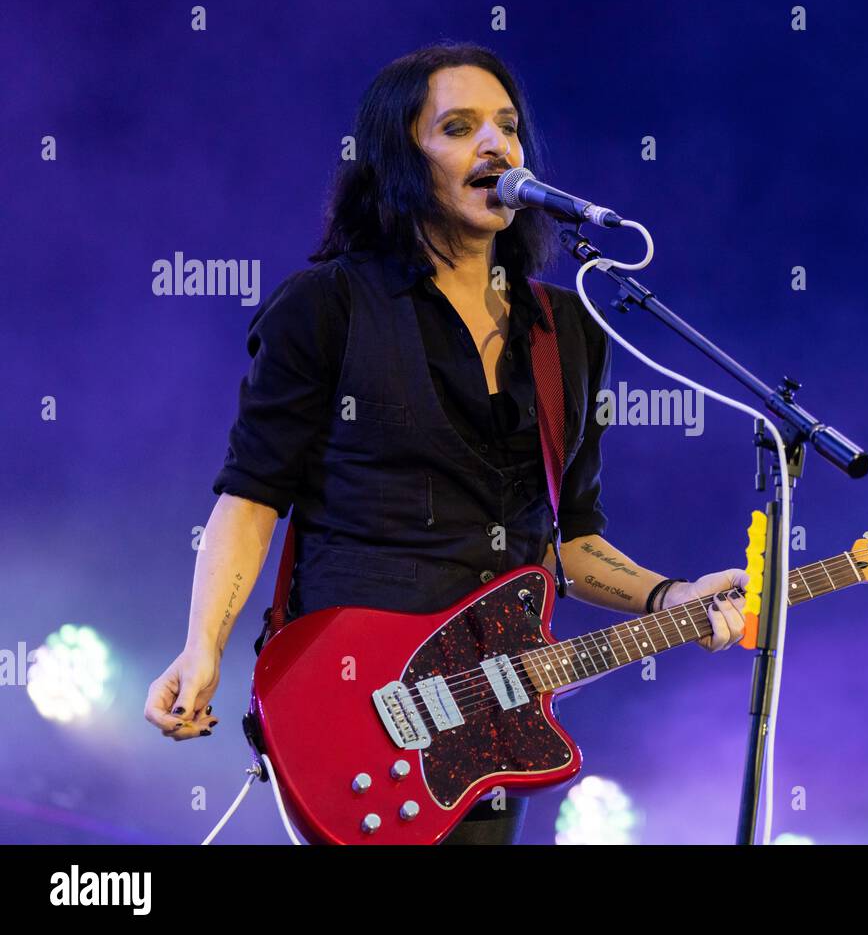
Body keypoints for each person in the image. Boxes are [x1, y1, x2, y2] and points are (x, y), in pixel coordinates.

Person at [143, 42, 750, 844]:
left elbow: (572, 538)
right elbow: (252, 496)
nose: (495, 146)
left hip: (496, 712)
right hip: (359, 699)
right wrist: (201, 645)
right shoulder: (327, 307)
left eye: (507, 126)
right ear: (400, 161)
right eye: (459, 128)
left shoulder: (566, 328)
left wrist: (669, 596)